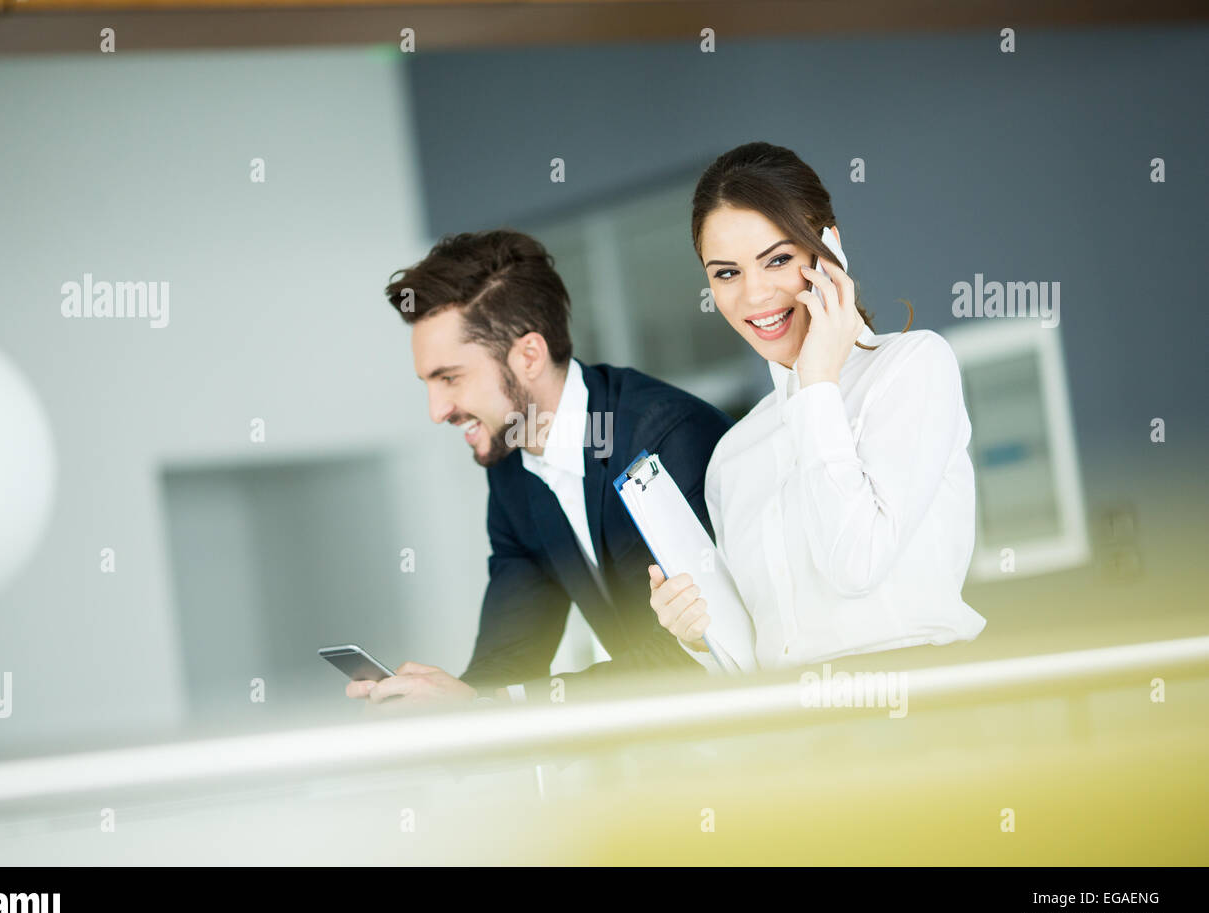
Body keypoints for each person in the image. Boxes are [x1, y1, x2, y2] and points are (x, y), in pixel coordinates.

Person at [347, 229, 734, 710]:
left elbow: (691, 656)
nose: (436, 409)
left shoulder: (663, 441)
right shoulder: (512, 469)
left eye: (450, 378)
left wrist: (494, 706)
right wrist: (446, 705)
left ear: (529, 355)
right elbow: (512, 651)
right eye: (429, 382)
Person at [649, 143, 986, 672]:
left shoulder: (914, 367)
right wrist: (697, 633)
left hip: (918, 714)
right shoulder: (733, 457)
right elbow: (759, 660)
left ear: (828, 248)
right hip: (796, 736)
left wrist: (817, 383)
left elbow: (855, 565)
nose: (755, 295)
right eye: (727, 273)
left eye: (777, 260)